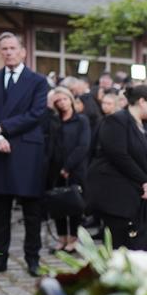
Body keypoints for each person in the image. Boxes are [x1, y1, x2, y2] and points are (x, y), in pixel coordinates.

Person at [0, 32, 49, 277]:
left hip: (26, 150)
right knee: (0, 209)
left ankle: (33, 259)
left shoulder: (37, 80)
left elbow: (36, 113)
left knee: (31, 211)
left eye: (12, 48)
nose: (8, 52)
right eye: (4, 48)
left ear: (23, 51)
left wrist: (1, 128)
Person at [83, 85, 147, 250]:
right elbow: (118, 155)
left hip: (145, 197)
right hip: (120, 197)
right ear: (142, 102)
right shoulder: (116, 121)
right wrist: (145, 182)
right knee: (121, 248)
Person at [45, 87, 90, 252]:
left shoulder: (81, 120)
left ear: (70, 99)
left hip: (75, 169)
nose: (62, 103)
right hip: (55, 169)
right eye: (58, 101)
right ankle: (62, 237)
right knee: (58, 204)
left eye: (64, 99)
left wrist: (68, 166)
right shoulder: (55, 120)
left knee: (74, 205)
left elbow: (83, 145)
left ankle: (74, 239)